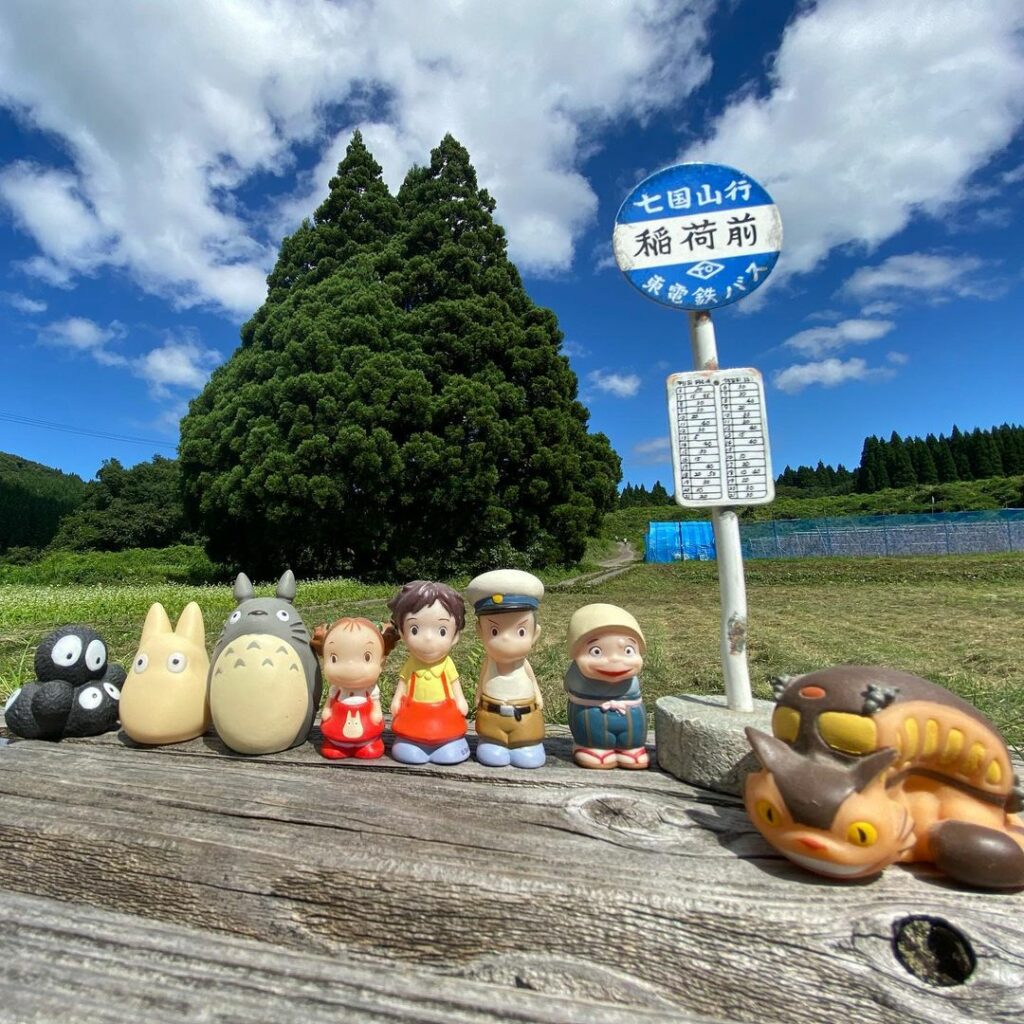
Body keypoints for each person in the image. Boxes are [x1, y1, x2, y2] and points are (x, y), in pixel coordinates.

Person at [466, 569, 545, 769]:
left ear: (535, 634)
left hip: (525, 718)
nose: (506, 640)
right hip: (492, 718)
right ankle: (493, 742)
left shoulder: (523, 665)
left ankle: (527, 743)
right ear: (480, 632)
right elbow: (482, 683)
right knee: (492, 753)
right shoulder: (489, 663)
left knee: (529, 754)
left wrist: (538, 696)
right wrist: (478, 699)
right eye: (494, 631)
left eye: (520, 631)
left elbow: (532, 681)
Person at [387, 580, 469, 765]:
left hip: (445, 715)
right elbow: (403, 682)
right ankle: (412, 744)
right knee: (407, 746)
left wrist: (461, 701)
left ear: (455, 636)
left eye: (442, 631)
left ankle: (448, 745)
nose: (428, 639)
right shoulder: (411, 664)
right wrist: (396, 699)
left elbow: (455, 685)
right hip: (414, 713)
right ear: (402, 632)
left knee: (449, 740)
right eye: (414, 629)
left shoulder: (447, 664)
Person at [563, 603, 648, 769]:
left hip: (630, 714)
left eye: (628, 650)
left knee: (632, 737)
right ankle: (592, 748)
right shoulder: (578, 677)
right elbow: (570, 686)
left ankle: (631, 748)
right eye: (596, 651)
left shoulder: (631, 684)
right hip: (590, 714)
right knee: (593, 735)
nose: (615, 660)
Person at [311, 617, 396, 760]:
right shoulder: (335, 690)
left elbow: (375, 706)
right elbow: (329, 704)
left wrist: (376, 713)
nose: (350, 667)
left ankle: (367, 744)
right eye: (334, 658)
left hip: (367, 734)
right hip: (336, 732)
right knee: (333, 745)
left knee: (370, 745)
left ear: (381, 663)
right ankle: (336, 744)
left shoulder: (370, 691)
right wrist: (327, 710)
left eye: (367, 657)